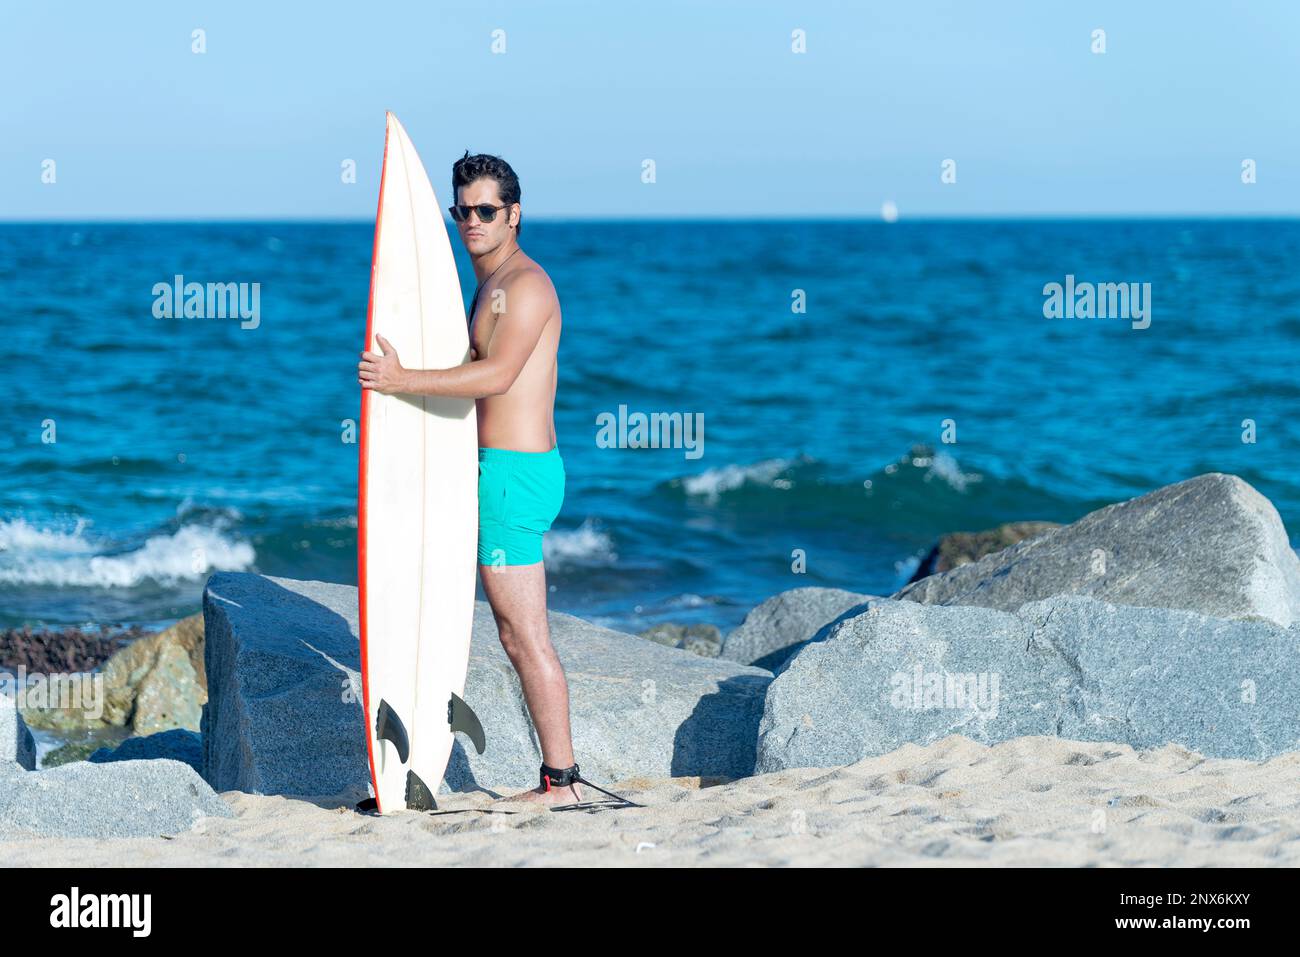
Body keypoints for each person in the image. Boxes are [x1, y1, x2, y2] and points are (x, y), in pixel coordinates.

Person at [357, 151, 581, 805]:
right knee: (510, 630)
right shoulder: (489, 284)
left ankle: (562, 782)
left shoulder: (527, 285)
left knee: (522, 632)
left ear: (514, 214)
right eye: (463, 210)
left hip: (514, 476)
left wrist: (401, 381)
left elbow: (498, 375)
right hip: (490, 471)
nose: (472, 221)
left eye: (486, 210)